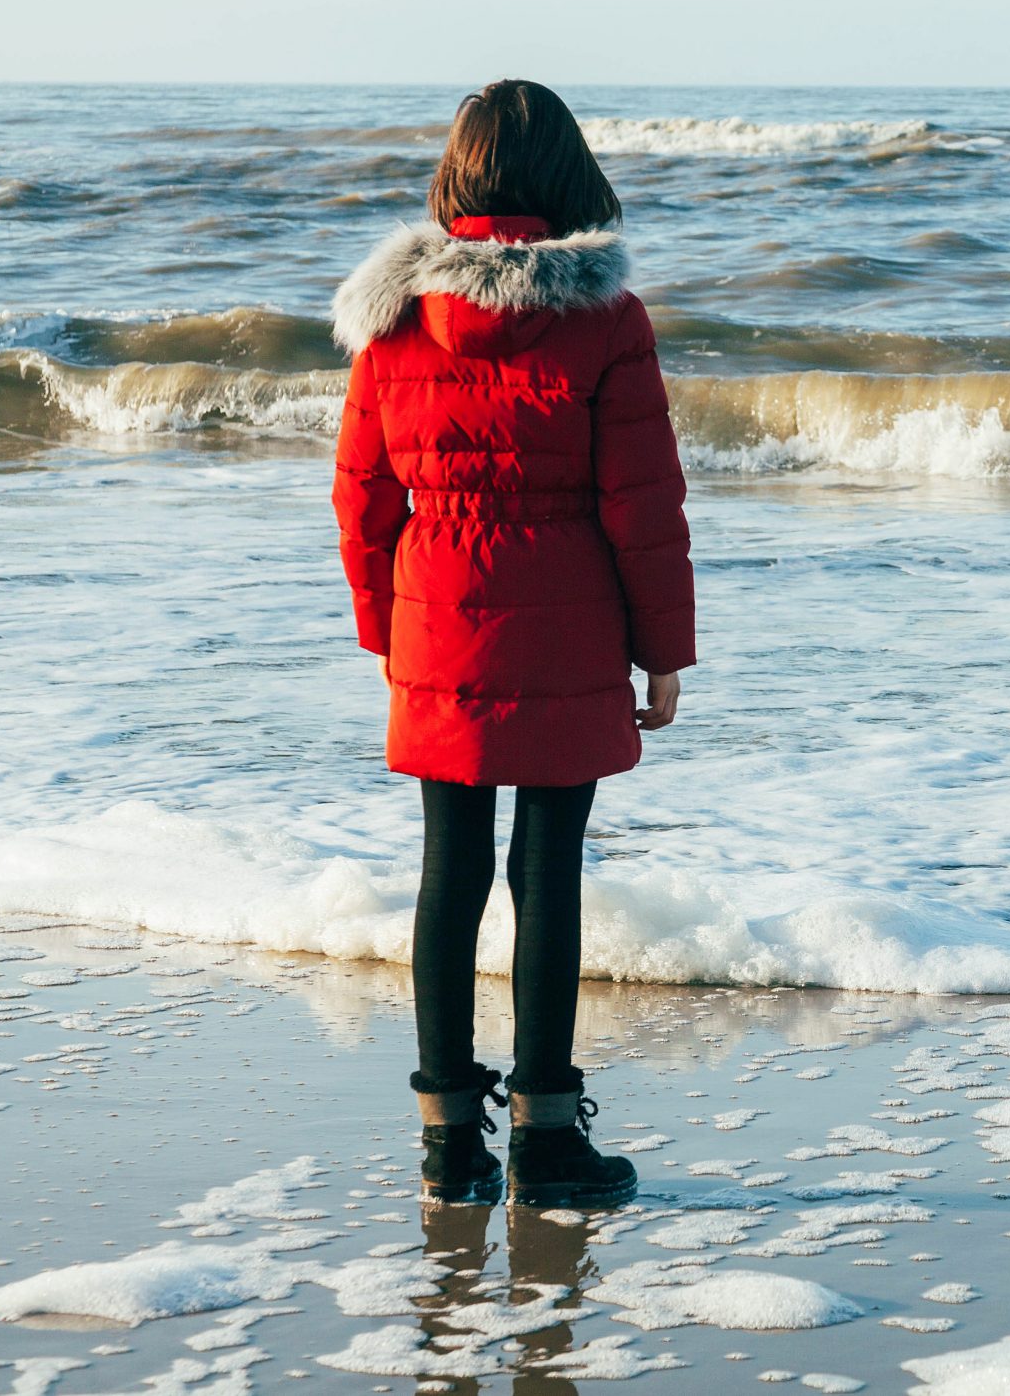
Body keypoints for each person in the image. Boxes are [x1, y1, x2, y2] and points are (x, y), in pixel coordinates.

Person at [330, 79, 695, 1207]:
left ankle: (448, 1144)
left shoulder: (394, 316)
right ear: (568, 174)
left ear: (458, 175)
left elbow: (360, 496)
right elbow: (643, 502)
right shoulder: (606, 319)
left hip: (436, 618)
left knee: (449, 871)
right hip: (570, 621)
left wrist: (386, 629)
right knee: (549, 870)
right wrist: (664, 647)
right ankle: (546, 1139)